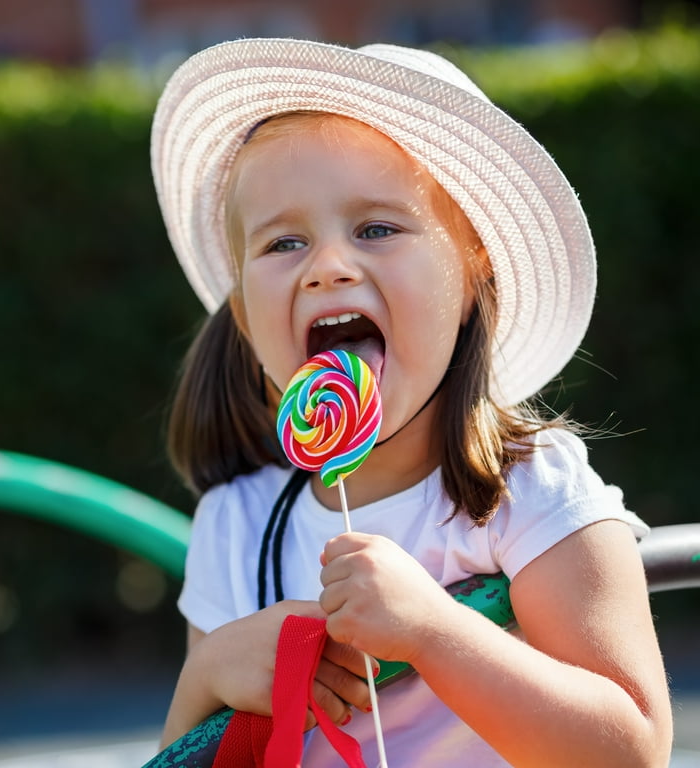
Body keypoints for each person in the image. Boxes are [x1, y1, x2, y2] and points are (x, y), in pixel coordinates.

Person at [149, 38, 673, 766]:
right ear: (243, 316)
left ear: (469, 278)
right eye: (284, 243)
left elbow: (632, 747)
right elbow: (188, 755)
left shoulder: (528, 492)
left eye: (376, 229)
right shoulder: (235, 528)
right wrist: (209, 674)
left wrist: (434, 630)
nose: (329, 266)